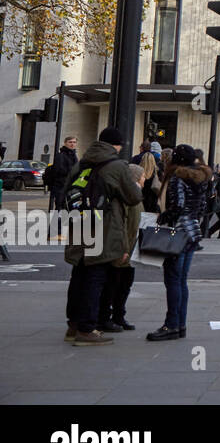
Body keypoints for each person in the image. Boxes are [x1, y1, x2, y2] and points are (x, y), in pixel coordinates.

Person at [64, 127, 142, 347]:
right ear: (116, 145)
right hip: (103, 227)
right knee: (95, 276)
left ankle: (73, 324)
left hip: (80, 224)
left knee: (78, 275)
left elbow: (66, 190)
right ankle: (87, 329)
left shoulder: (81, 163)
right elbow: (134, 197)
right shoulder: (116, 166)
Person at [147, 144, 210, 341]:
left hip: (177, 233)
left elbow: (177, 205)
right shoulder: (200, 179)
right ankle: (180, 324)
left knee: (173, 280)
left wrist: (163, 218)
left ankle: (171, 324)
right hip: (193, 231)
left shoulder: (177, 178)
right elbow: (202, 207)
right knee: (182, 280)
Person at [97, 161, 145, 334]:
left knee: (124, 284)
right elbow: (124, 223)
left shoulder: (134, 194)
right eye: (143, 176)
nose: (145, 178)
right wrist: (124, 247)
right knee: (115, 284)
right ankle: (108, 316)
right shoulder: (128, 195)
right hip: (124, 247)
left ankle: (118, 315)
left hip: (130, 246)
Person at [47, 134, 77, 220]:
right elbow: (58, 171)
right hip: (61, 186)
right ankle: (54, 230)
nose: (72, 144)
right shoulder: (61, 155)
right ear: (65, 143)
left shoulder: (74, 155)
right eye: (70, 142)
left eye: (74, 142)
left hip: (70, 187)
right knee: (60, 208)